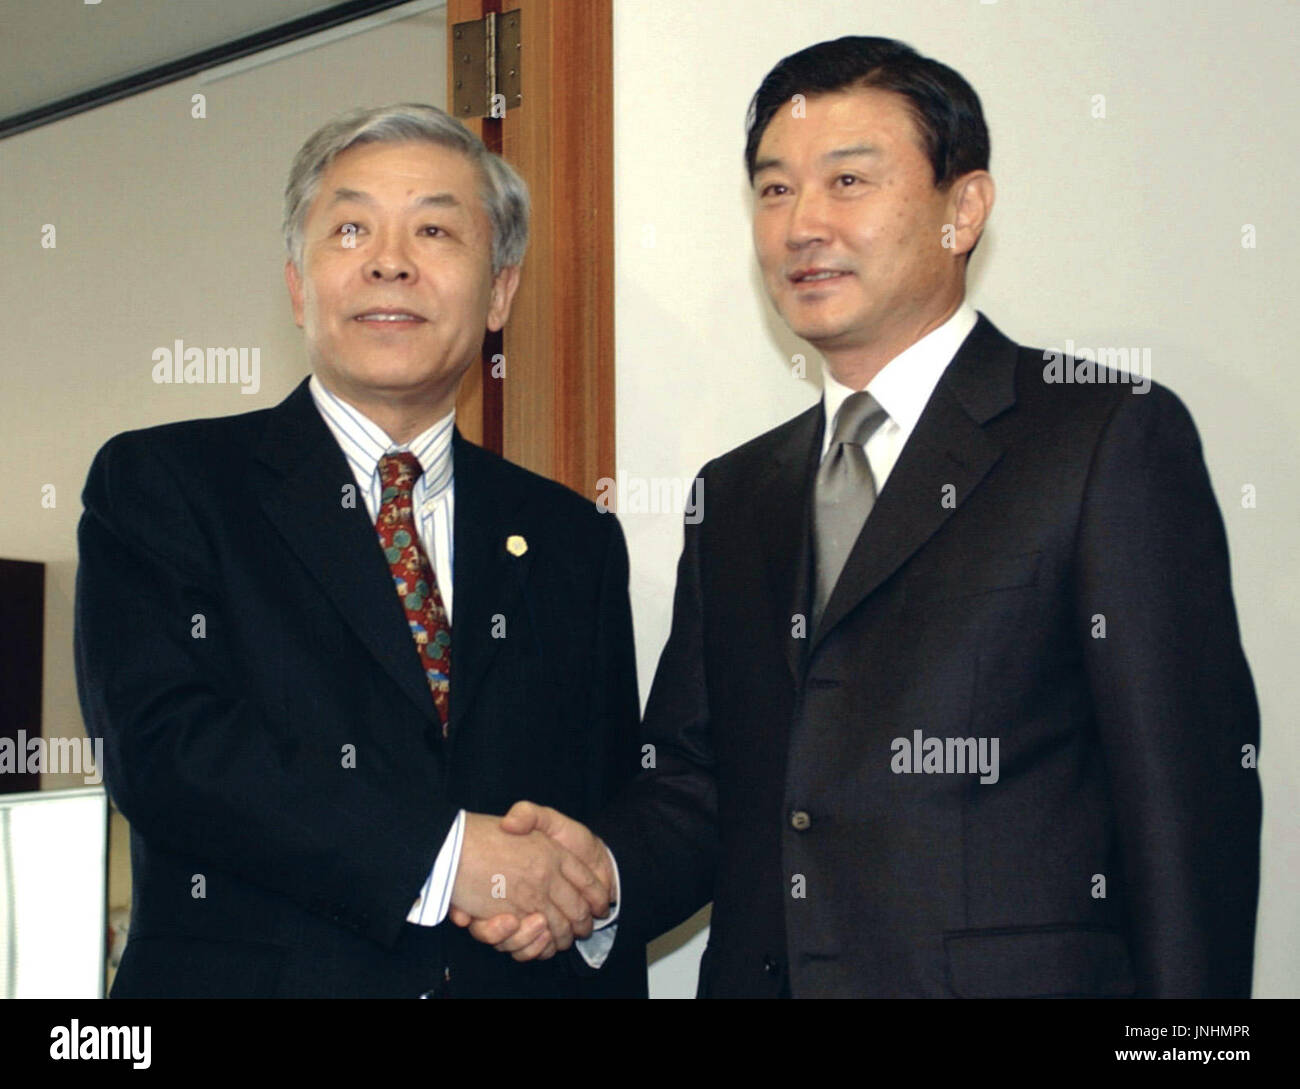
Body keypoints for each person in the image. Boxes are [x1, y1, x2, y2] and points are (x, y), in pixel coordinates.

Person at [456, 37, 1262, 998]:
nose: (803, 226)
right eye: (774, 189)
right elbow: (698, 786)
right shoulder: (738, 491)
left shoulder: (1102, 437)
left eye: (848, 181)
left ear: (963, 209)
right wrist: (588, 873)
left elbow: (1187, 814)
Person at [74, 103, 645, 998]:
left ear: (499, 292)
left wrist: (584, 895)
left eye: (434, 228)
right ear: (300, 285)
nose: (390, 259)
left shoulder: (576, 540)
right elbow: (164, 751)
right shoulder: (165, 484)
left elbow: (606, 814)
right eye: (350, 228)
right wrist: (447, 857)